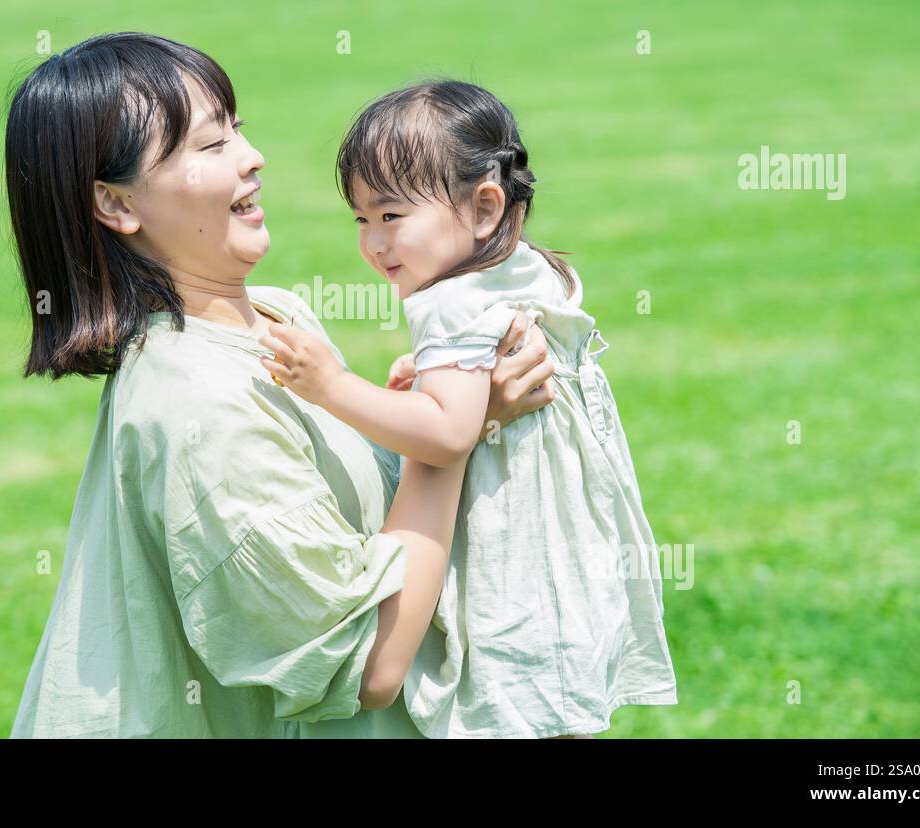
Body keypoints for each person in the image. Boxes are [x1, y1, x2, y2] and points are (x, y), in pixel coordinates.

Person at [2, 33, 557, 737]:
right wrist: (450, 436)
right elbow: (369, 664)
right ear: (116, 205)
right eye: (211, 145)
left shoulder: (273, 316)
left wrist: (418, 415)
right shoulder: (199, 403)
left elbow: (363, 534)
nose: (252, 156)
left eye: (235, 129)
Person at [259, 79, 679, 737]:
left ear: (485, 207)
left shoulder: (448, 302)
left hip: (507, 544)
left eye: (392, 215)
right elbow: (469, 390)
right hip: (563, 537)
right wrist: (431, 385)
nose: (373, 244)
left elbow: (449, 434)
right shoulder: (527, 267)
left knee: (508, 697)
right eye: (362, 220)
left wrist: (331, 385)